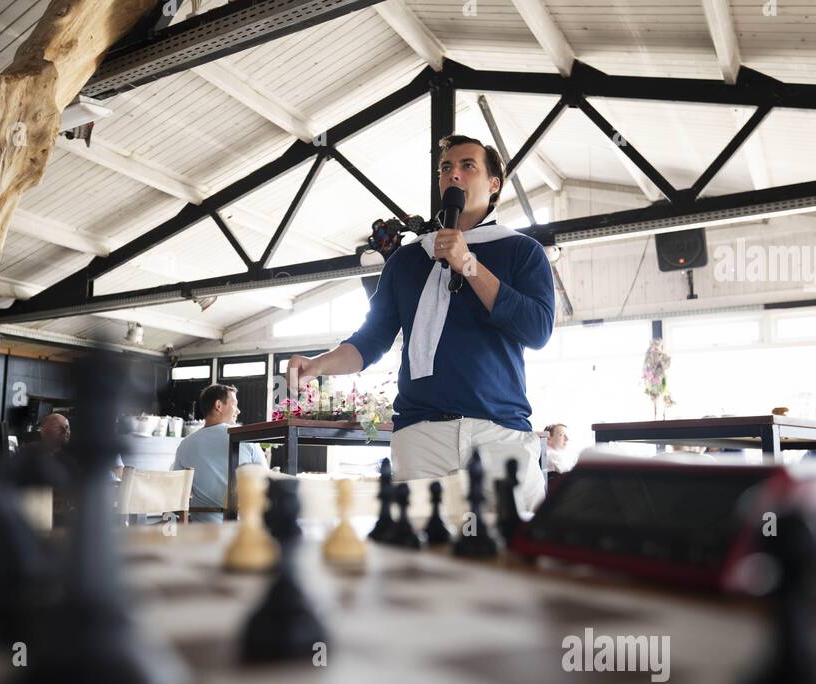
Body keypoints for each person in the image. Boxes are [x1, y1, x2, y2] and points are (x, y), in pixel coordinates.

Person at [286, 134, 555, 509]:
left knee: (509, 557)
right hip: (421, 437)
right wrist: (317, 365)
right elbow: (371, 340)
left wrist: (469, 265)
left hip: (499, 433)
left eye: (467, 166)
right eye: (446, 168)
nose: (453, 175)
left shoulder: (522, 251)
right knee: (421, 559)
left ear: (494, 185)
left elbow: (538, 330)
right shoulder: (409, 260)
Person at [172, 383, 265, 522]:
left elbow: (177, 493)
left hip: (202, 530)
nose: (238, 411)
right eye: (234, 404)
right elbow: (266, 481)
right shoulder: (246, 438)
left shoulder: (184, 445)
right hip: (243, 529)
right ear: (218, 406)